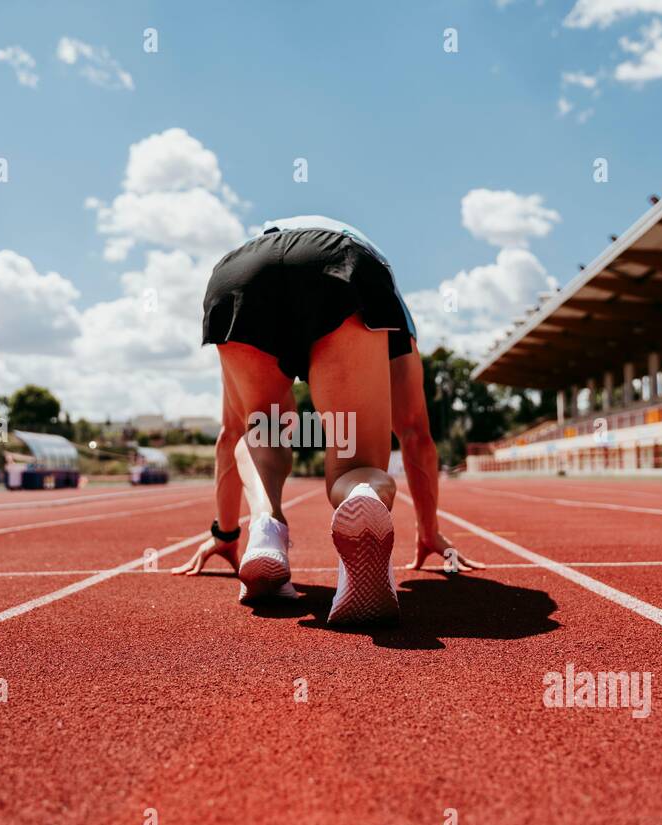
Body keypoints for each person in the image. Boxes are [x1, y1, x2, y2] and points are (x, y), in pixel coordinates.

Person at [171, 215, 482, 624]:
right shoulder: (388, 294)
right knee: (354, 457)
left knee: (263, 427)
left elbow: (231, 434)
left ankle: (265, 527)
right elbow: (414, 433)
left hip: (243, 272)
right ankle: (360, 496)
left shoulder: (263, 246)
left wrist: (225, 533)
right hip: (342, 267)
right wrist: (428, 531)